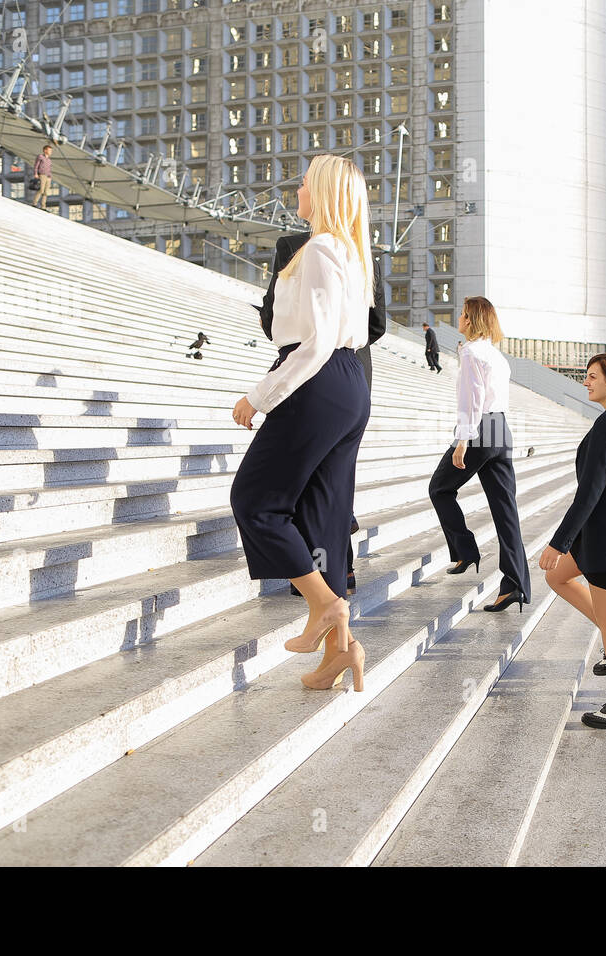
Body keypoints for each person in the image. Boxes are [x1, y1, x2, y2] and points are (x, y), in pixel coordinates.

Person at [229, 153, 372, 693]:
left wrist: (258, 397)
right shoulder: (350, 254)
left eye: (306, 180)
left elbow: (312, 345)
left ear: (326, 191)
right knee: (325, 518)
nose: (298, 187)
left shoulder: (319, 250)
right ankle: (342, 653)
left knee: (256, 501)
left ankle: (326, 606)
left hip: (319, 377)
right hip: (348, 382)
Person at [259, 220, 386, 601]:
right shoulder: (365, 252)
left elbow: (273, 316)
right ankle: (339, 569)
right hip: (354, 372)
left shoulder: (294, 245)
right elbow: (376, 325)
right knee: (335, 476)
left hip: (311, 370)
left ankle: (317, 576)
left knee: (304, 475)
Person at [539, 354, 606, 728]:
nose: (586, 382)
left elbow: (590, 493)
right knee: (557, 579)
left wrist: (559, 542)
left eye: (592, 377)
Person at [428, 296, 531, 614]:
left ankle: (465, 549)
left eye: (462, 314)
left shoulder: (471, 351)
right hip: (501, 428)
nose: (459, 319)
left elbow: (471, 400)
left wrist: (463, 440)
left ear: (471, 319)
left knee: (439, 488)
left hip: (481, 429)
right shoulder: (497, 356)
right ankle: (515, 584)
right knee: (506, 511)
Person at [31, 143, 55, 210]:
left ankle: (43, 206)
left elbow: (49, 168)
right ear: (45, 150)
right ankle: (34, 203)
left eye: (51, 151)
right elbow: (36, 166)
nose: (51, 152)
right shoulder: (40, 157)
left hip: (48, 176)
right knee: (41, 190)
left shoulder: (49, 160)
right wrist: (35, 173)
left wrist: (50, 176)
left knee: (46, 192)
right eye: (49, 150)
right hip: (42, 175)